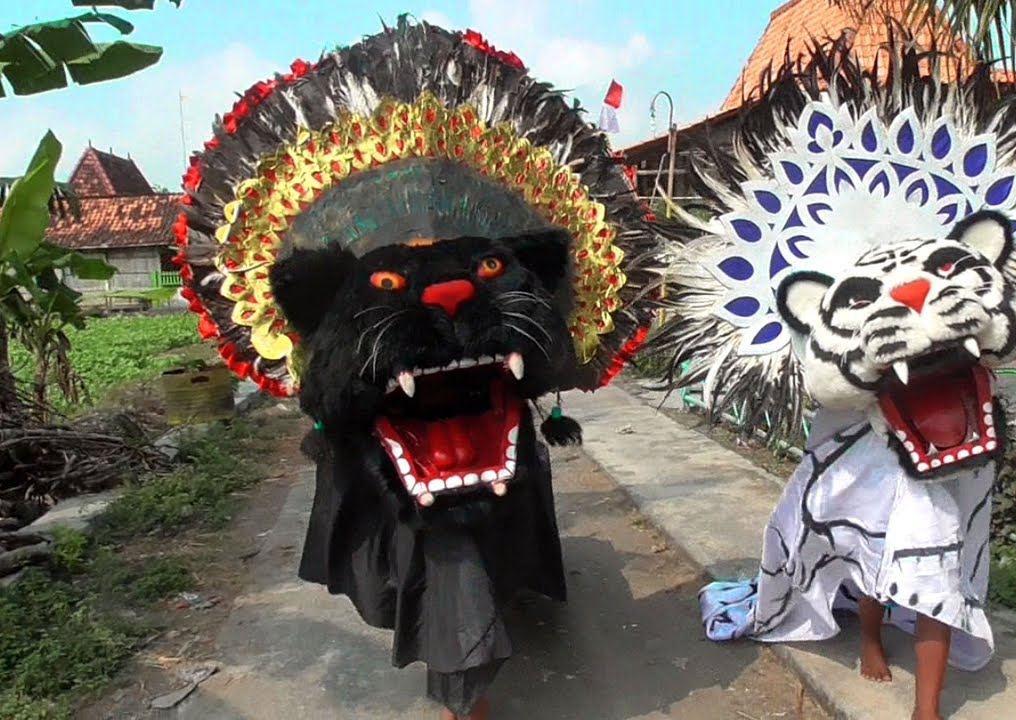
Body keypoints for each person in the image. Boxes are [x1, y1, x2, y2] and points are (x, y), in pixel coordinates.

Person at [173, 18, 668, 719]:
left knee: (516, 485)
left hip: (483, 409)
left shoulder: (510, 304)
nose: (451, 292)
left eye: (486, 267)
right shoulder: (351, 314)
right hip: (395, 410)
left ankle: (487, 631)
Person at [645, 31, 1016, 720]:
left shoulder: (964, 289)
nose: (917, 298)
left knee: (940, 573)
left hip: (954, 464)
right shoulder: (830, 327)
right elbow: (828, 374)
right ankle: (867, 633)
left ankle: (926, 709)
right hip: (869, 460)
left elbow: (990, 326)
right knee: (871, 560)